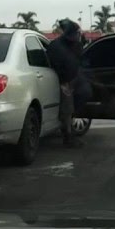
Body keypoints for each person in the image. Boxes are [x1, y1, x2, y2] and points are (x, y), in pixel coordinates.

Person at [46, 19, 84, 147]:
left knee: (68, 110)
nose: (79, 36)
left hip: (68, 81)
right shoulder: (58, 46)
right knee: (66, 111)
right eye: (78, 33)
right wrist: (64, 82)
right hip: (61, 82)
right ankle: (68, 137)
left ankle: (68, 133)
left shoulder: (62, 45)